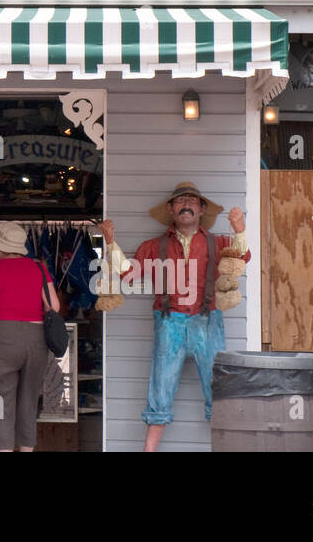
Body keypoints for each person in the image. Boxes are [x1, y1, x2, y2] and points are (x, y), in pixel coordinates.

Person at [103, 181, 248, 452]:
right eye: (180, 202)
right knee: (160, 387)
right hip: (169, 322)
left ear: (202, 209)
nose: (186, 206)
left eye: (192, 201)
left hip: (208, 321)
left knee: (219, 390)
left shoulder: (219, 242)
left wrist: (239, 229)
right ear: (171, 209)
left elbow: (241, 257)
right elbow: (127, 274)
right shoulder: (154, 246)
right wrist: (110, 244)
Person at [0, 221, 60, 452]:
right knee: (29, 399)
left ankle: (3, 449)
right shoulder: (39, 268)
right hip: (36, 339)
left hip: (3, 337)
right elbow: (55, 306)